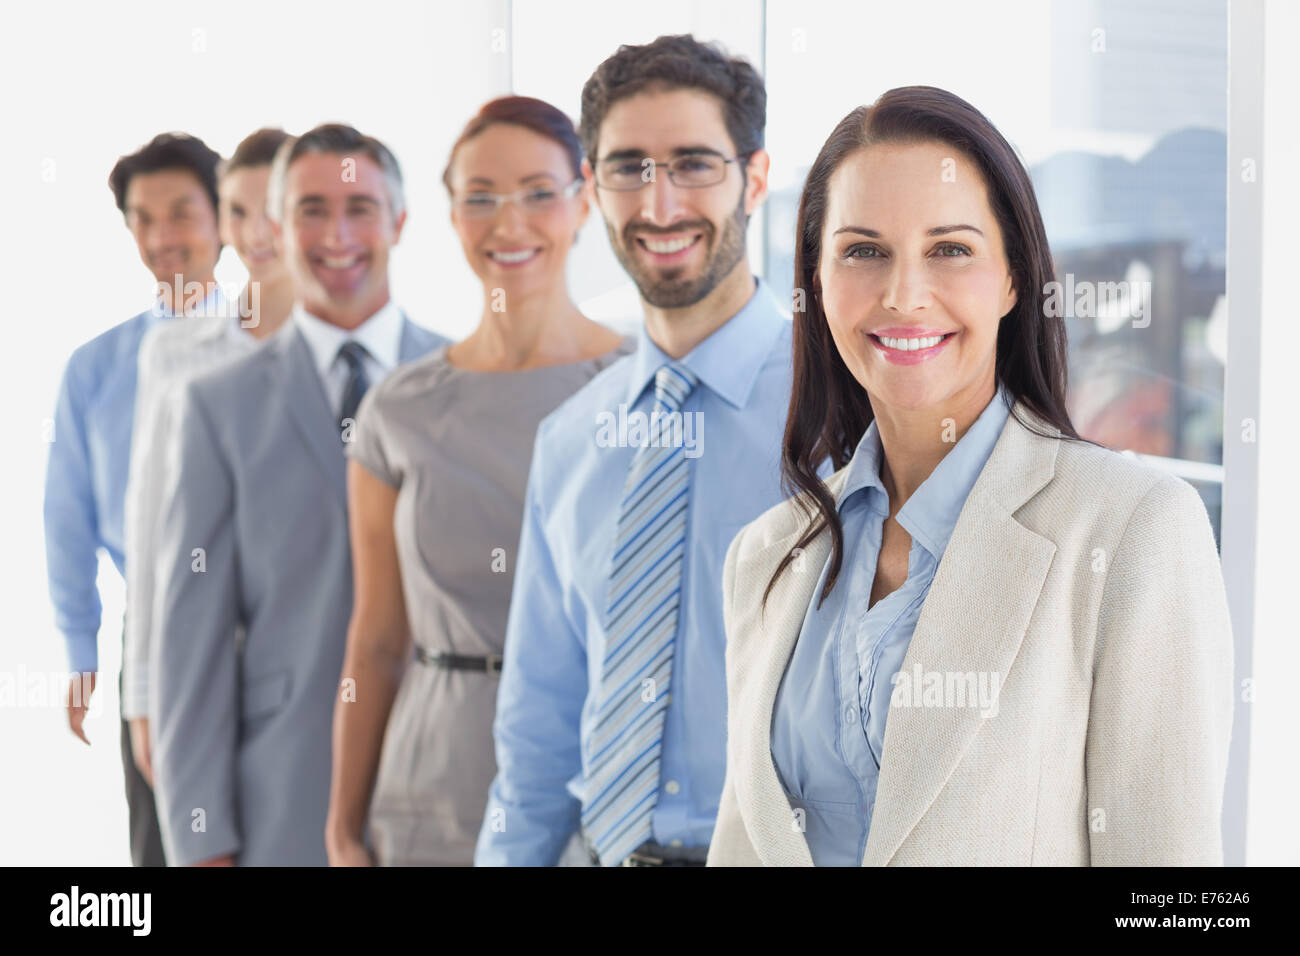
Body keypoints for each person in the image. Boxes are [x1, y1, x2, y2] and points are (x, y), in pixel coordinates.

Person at [706, 86, 1234, 867]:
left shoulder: (1132, 531)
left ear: (1014, 279)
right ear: (816, 281)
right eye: (863, 250)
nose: (903, 294)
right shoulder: (765, 559)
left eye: (950, 249)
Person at [476, 34, 794, 867]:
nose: (658, 207)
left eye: (693, 164)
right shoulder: (571, 439)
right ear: (591, 188)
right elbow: (538, 734)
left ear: (753, 179)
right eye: (627, 168)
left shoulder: (844, 411)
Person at [325, 97, 630, 867]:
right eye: (481, 198)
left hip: (600, 776)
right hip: (429, 781)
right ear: (452, 214)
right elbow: (376, 640)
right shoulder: (400, 407)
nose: (509, 222)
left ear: (585, 201)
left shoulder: (643, 389)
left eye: (538, 191)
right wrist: (341, 828)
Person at [149, 124, 449, 866]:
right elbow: (190, 641)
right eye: (311, 209)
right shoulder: (218, 405)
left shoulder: (460, 382)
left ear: (400, 222)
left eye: (360, 207)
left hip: (450, 787)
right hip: (282, 795)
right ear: (276, 228)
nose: (337, 234)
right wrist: (199, 841)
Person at [44, 132, 224, 867]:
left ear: (225, 217)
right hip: (150, 638)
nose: (162, 237)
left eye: (181, 212)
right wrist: (79, 649)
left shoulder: (273, 346)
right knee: (162, 845)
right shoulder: (97, 370)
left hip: (267, 632)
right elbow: (67, 517)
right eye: (143, 220)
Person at [122, 127, 295, 794]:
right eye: (238, 211)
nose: (258, 233)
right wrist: (140, 698)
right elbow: (148, 527)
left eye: (276, 207)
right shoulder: (174, 353)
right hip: (193, 656)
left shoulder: (343, 352)